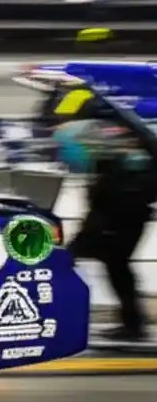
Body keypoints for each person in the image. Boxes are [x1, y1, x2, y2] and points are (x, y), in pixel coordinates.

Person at [69, 124, 157, 342]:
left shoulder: (136, 164)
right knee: (117, 269)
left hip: (115, 224)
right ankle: (133, 323)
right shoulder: (117, 160)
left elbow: (117, 196)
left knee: (113, 268)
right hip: (107, 223)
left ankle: (133, 324)